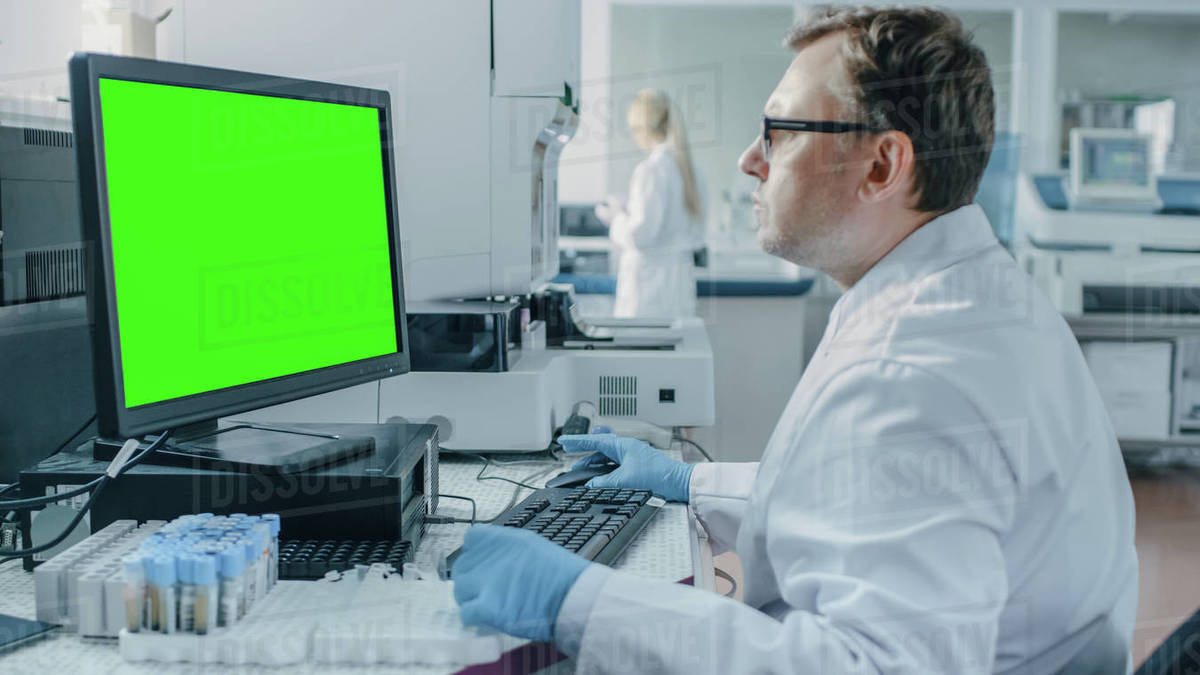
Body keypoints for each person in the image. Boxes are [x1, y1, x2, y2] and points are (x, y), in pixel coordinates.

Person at [451, 7, 1138, 673]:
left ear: (881, 166)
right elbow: (877, 500)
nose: (752, 159)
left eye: (779, 130)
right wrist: (689, 482)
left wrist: (579, 601)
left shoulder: (914, 371)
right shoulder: (965, 296)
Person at [596, 89, 705, 319]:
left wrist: (616, 217)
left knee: (644, 352)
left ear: (644, 127)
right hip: (678, 284)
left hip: (650, 290)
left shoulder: (651, 170)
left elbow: (641, 236)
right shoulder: (690, 169)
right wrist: (631, 209)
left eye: (635, 129)